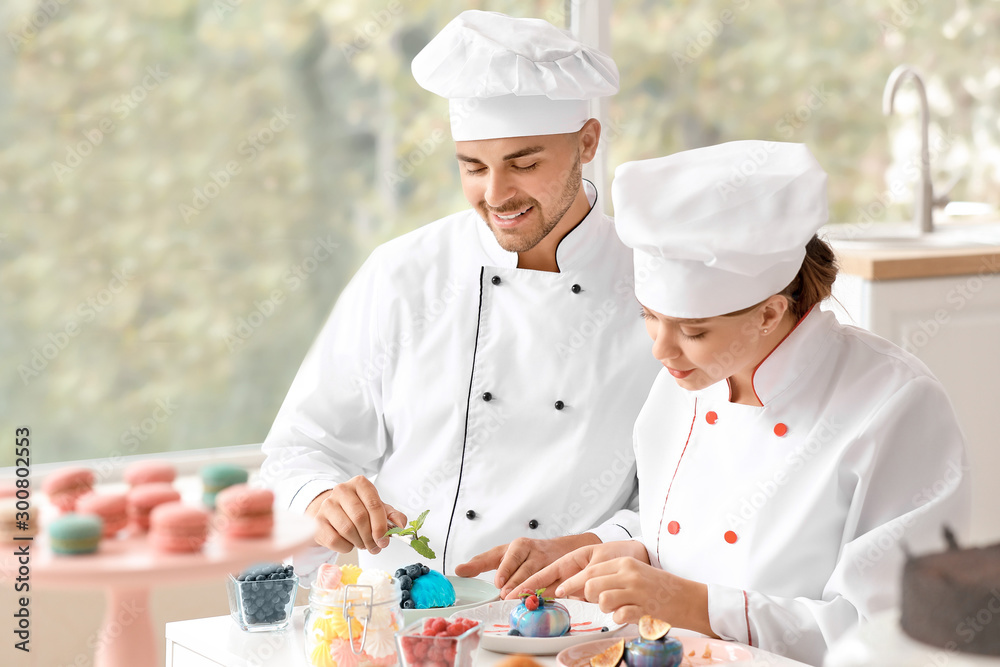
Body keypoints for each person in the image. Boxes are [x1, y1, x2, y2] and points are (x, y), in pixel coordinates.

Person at [517, 141, 970, 665]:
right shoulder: (689, 377)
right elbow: (683, 523)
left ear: (769, 312)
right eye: (649, 316)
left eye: (693, 330)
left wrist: (694, 603)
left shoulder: (894, 405)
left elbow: (890, 632)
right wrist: (620, 545)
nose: (660, 350)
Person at [259, 10, 660, 592]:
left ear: (588, 142)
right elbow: (301, 448)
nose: (496, 195)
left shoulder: (658, 289)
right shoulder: (404, 273)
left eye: (525, 163)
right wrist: (321, 495)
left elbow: (686, 495)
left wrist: (596, 543)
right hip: (397, 617)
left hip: (568, 620)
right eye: (473, 167)